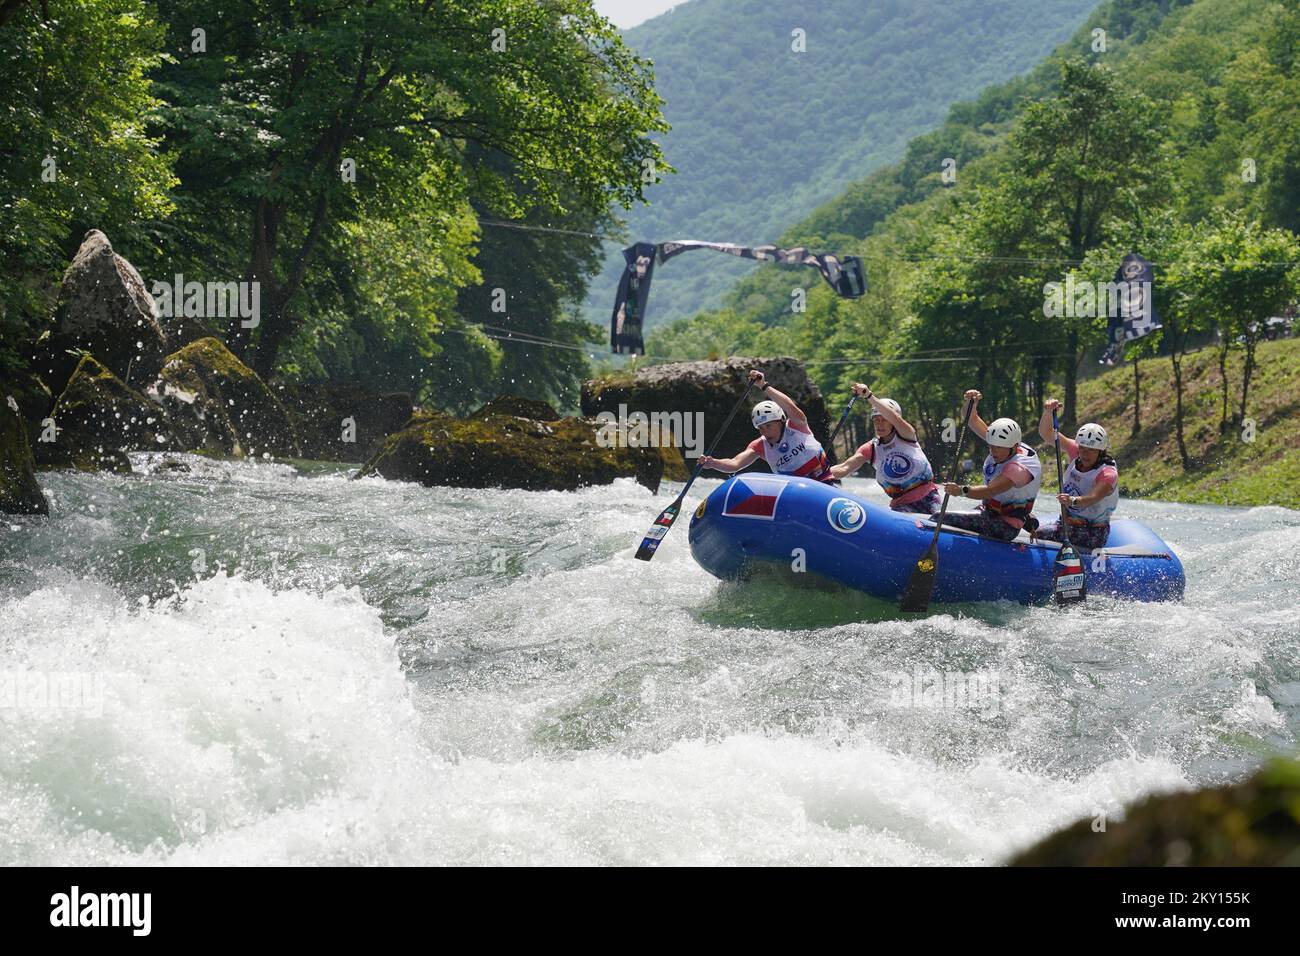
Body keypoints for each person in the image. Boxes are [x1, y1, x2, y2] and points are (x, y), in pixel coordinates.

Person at [939, 389, 1042, 541]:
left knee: (941, 518)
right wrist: (970, 402)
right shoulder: (1000, 441)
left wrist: (961, 490)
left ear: (1014, 446)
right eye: (991, 446)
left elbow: (990, 491)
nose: (993, 451)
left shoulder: (1018, 468)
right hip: (987, 512)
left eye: (998, 448)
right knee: (945, 517)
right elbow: (971, 419)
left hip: (1005, 525)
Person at [699, 369, 835, 483]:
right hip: (794, 492)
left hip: (823, 483)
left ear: (781, 420)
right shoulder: (759, 446)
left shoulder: (797, 425)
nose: (765, 432)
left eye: (769, 426)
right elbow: (735, 464)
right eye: (761, 428)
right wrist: (713, 463)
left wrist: (764, 386)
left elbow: (789, 406)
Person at [829, 384, 939, 513]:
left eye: (884, 420)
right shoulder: (871, 448)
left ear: (892, 421)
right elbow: (845, 468)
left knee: (939, 519)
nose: (879, 424)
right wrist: (816, 474)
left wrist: (869, 396)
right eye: (876, 420)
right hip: (901, 505)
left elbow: (895, 417)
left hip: (929, 497)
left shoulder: (906, 434)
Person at [1035, 398, 1119, 550]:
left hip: (1093, 531)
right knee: (1037, 532)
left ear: (1101, 451)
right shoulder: (1075, 451)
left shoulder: (1107, 473)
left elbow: (1093, 498)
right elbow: (1046, 433)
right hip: (1067, 522)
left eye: (1091, 450)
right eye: (1083, 448)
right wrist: (1048, 412)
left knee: (1040, 534)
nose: (1085, 454)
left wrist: (1072, 500)